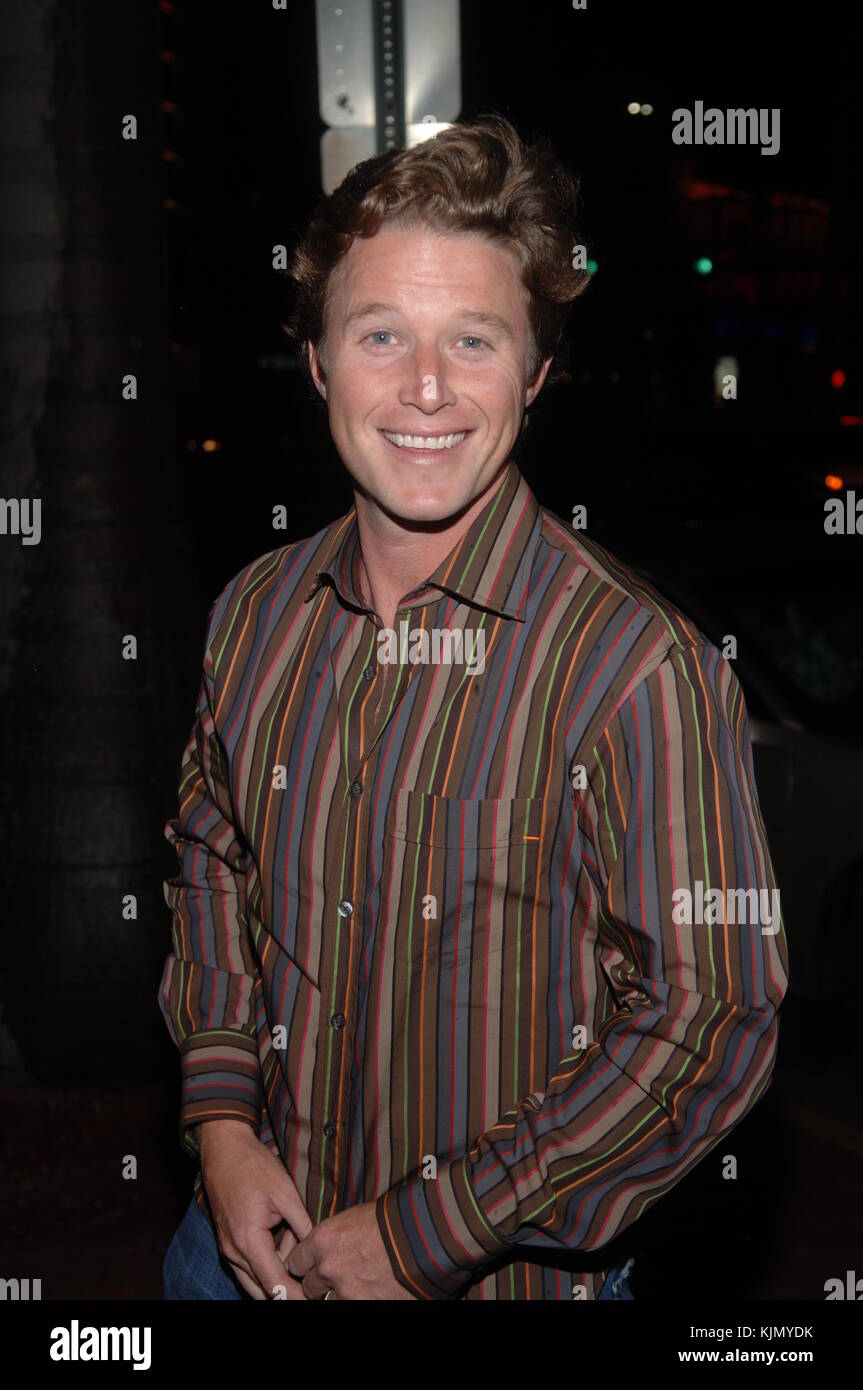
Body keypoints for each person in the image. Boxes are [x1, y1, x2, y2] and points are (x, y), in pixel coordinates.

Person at [158, 114, 789, 1301]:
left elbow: (712, 1017)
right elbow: (211, 861)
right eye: (380, 333)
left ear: (537, 372)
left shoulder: (633, 663)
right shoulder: (251, 615)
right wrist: (223, 1123)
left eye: (475, 339)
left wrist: (424, 1233)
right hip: (233, 1250)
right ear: (317, 362)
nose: (427, 387)